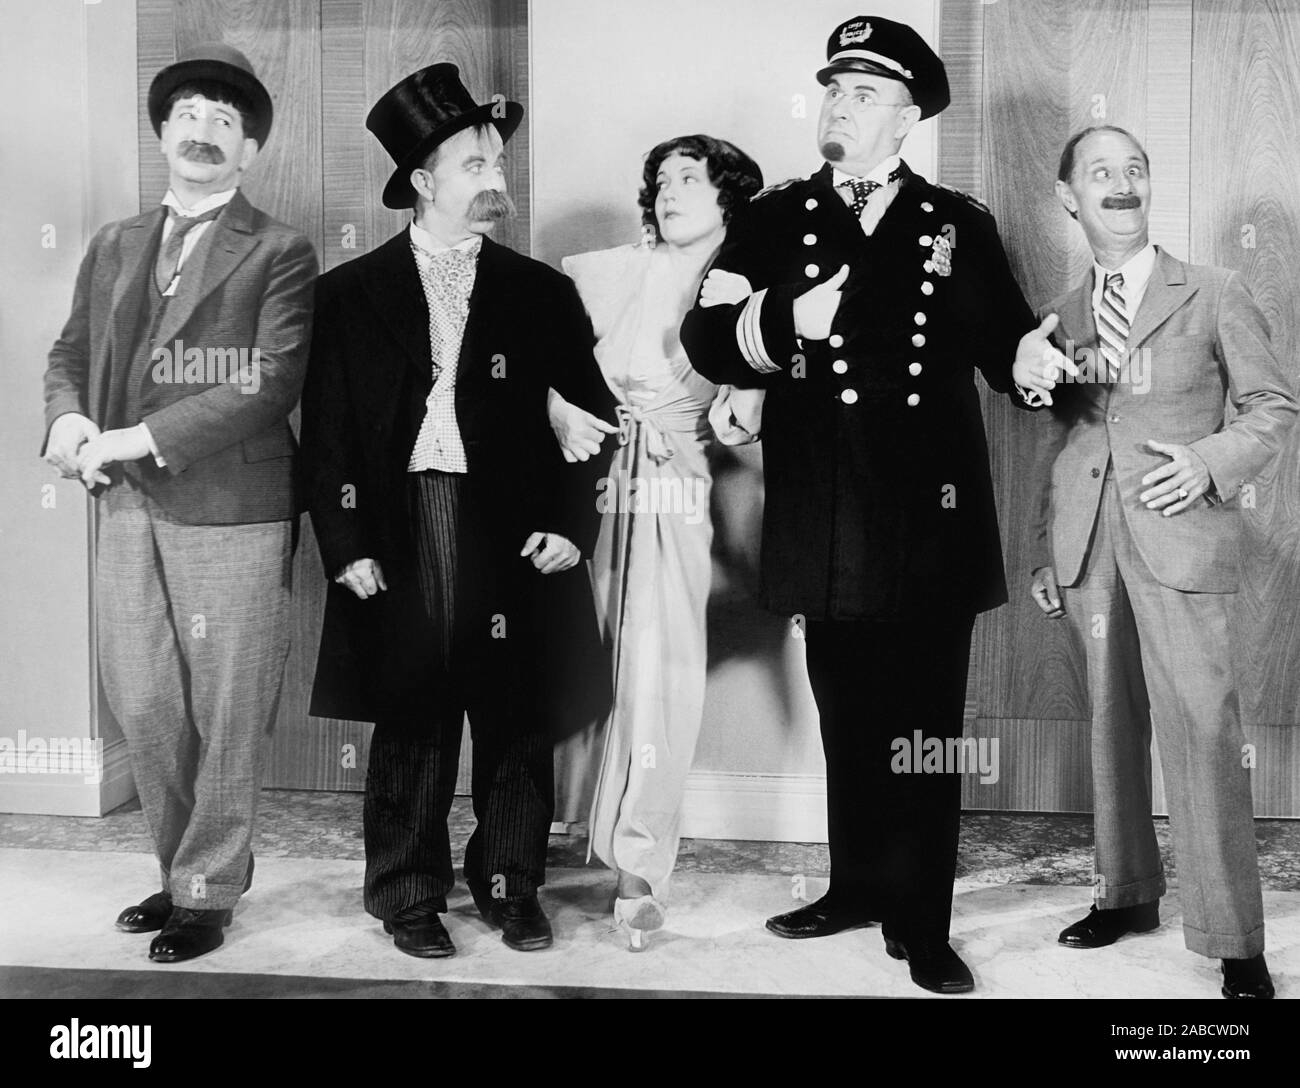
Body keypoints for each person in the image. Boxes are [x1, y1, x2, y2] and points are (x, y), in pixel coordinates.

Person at [680, 15, 1043, 994]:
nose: (840, 105)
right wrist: (775, 323)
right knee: (846, 713)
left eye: (865, 93)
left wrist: (1032, 359)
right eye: (834, 88)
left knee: (921, 731)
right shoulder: (772, 218)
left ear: (910, 114)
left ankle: (923, 921)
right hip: (825, 507)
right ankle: (854, 884)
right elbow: (706, 336)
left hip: (930, 517)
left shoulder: (955, 224)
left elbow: (1006, 344)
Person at [300, 64, 616, 959]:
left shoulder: (540, 291)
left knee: (516, 713)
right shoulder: (347, 296)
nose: (495, 182)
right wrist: (346, 542)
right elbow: (326, 439)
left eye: (498, 163)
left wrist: (573, 526)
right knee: (413, 713)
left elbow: (594, 421)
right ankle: (407, 892)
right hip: (401, 526)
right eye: (474, 164)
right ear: (423, 182)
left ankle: (513, 885)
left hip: (510, 526)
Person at [41, 43, 316, 962]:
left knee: (229, 705)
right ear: (163, 132)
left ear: (248, 155)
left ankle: (208, 889)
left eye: (225, 123)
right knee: (147, 702)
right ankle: (174, 873)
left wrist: (132, 438)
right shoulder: (115, 241)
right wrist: (70, 422)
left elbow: (269, 380)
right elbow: (67, 353)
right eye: (188, 115)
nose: (203, 131)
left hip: (235, 507)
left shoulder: (279, 249)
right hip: (125, 507)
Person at [1013, 125, 1297, 1000]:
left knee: (1204, 731)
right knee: (1108, 724)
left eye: (1134, 168)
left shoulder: (1215, 290)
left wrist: (1209, 462)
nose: (1122, 182)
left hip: (1182, 537)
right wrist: (1043, 548)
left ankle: (1233, 938)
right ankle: (1127, 893)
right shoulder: (1058, 314)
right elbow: (1061, 437)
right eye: (1101, 172)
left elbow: (1271, 405)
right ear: (1069, 198)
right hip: (1091, 544)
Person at [547, 135, 764, 950]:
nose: (671, 191)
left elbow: (749, 411)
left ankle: (640, 869)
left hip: (678, 483)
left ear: (728, 196)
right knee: (576, 649)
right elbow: (543, 365)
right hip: (589, 479)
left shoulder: (744, 290)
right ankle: (563, 831)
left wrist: (741, 406)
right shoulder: (602, 273)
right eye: (662, 178)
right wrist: (554, 406)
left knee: (659, 672)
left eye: (691, 178)